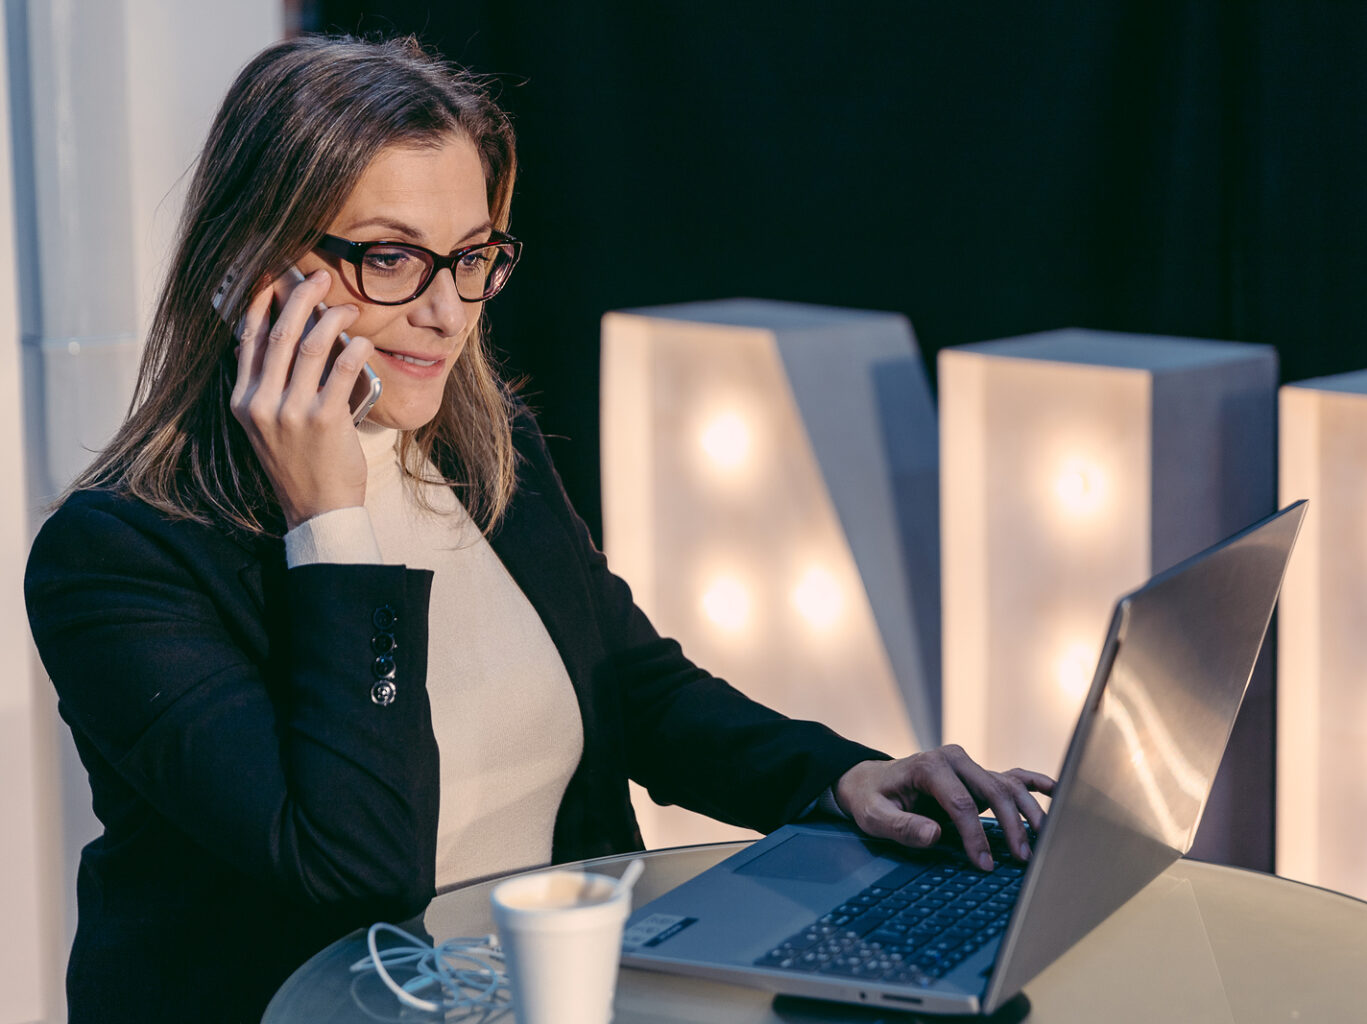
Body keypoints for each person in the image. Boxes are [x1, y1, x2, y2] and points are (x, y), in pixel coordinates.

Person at [23, 34, 1052, 1023]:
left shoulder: (480, 443)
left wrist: (836, 777)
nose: (445, 311)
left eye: (471, 256)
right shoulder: (117, 559)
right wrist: (329, 521)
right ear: (251, 271)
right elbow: (360, 861)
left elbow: (634, 688)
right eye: (390, 258)